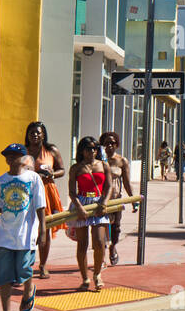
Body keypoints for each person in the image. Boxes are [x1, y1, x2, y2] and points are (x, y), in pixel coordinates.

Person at [0, 143, 47, 311]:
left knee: (23, 269)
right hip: (5, 233)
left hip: (26, 232)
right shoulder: (1, 180)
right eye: (8, 156)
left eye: (15, 156)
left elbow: (40, 206)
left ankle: (28, 288)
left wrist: (43, 230)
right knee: (3, 275)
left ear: (23, 158)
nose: (11, 159)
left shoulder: (33, 178)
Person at [22, 122, 66, 279]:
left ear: (43, 134)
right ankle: (25, 264)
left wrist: (52, 174)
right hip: (26, 191)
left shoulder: (51, 150)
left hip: (46, 190)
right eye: (32, 132)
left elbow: (62, 170)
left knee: (45, 227)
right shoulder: (23, 151)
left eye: (38, 132)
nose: (35, 135)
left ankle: (43, 265)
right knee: (26, 227)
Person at [67, 136, 110, 291]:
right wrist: (79, 207)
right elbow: (72, 192)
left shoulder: (104, 165)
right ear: (82, 151)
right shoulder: (76, 168)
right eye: (88, 148)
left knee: (99, 241)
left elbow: (109, 187)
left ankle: (97, 274)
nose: (91, 151)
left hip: (99, 204)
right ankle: (85, 278)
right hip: (82, 203)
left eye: (94, 148)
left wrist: (104, 202)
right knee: (82, 244)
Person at [99, 132, 135, 265]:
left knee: (116, 228)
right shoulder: (98, 160)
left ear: (117, 145)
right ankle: (101, 256)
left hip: (116, 199)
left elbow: (126, 182)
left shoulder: (121, 161)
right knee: (100, 227)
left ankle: (113, 247)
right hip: (100, 200)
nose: (109, 146)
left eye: (112, 143)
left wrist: (133, 200)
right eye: (106, 143)